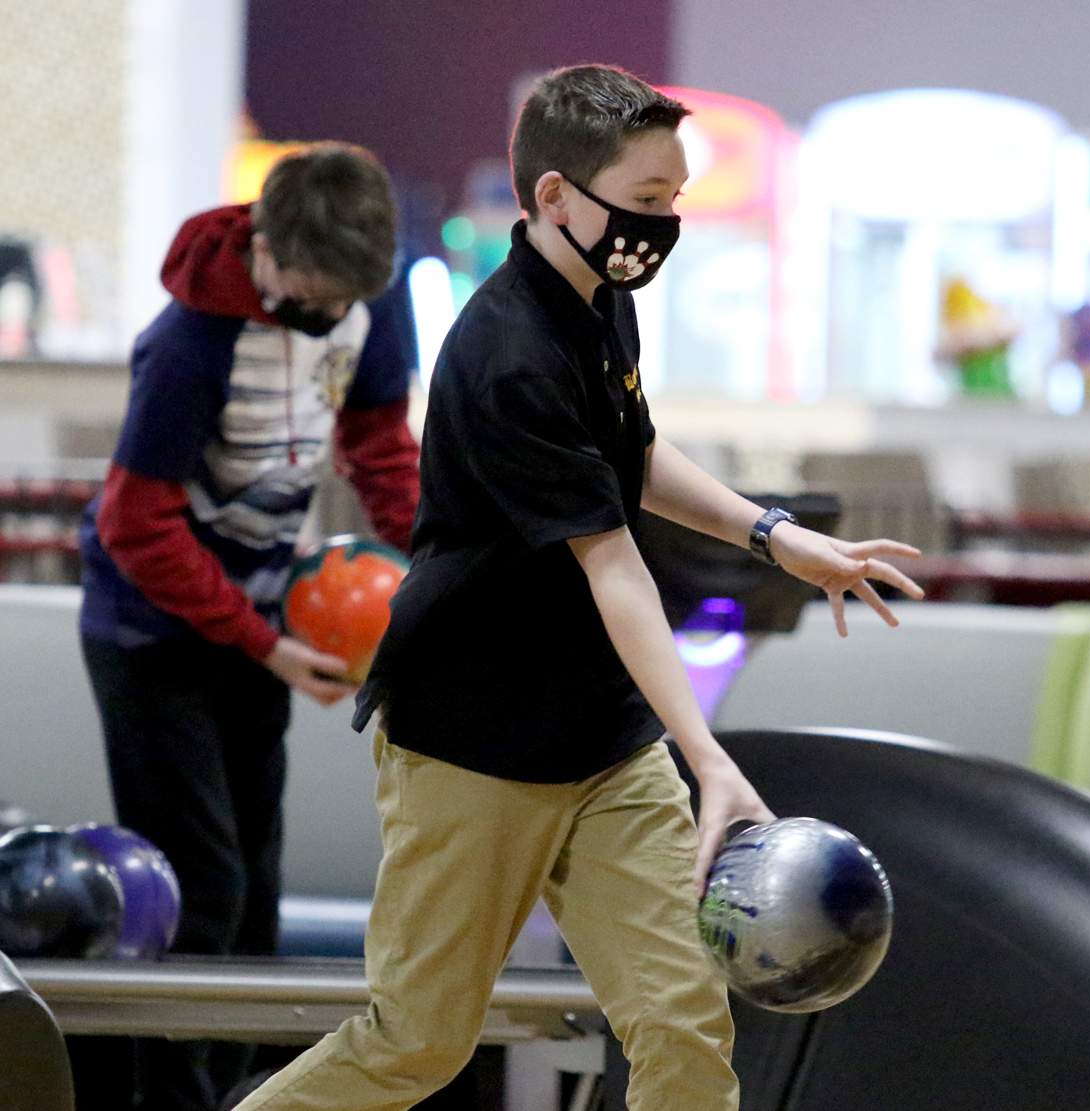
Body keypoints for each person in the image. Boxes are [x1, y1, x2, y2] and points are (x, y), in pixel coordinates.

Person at [233, 66, 921, 1111]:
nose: (663, 225)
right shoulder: (507, 352)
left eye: (674, 201)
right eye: (646, 202)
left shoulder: (596, 303)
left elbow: (631, 455)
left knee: (684, 1025)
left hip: (599, 741)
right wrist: (709, 757)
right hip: (470, 745)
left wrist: (777, 538)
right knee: (415, 1043)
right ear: (555, 196)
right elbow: (614, 563)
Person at [76, 143, 420, 1111]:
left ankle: (240, 1099)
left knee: (254, 885)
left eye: (338, 300)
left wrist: (443, 558)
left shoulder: (370, 300)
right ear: (265, 245)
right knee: (200, 883)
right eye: (304, 295)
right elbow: (132, 522)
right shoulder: (189, 343)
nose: (320, 316)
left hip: (257, 622)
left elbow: (379, 450)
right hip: (149, 632)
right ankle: (172, 1101)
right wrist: (263, 640)